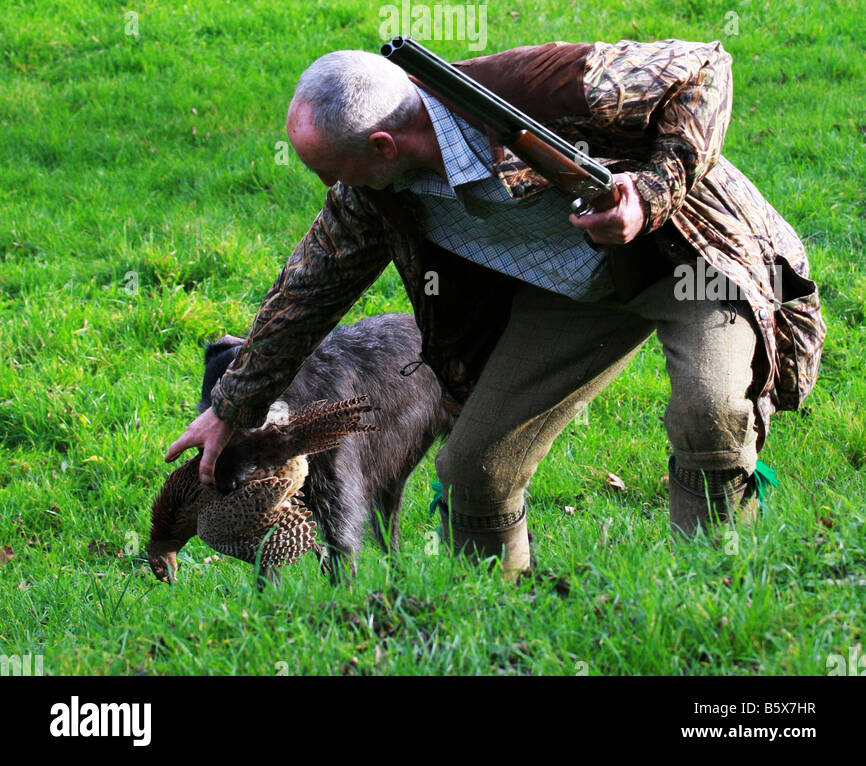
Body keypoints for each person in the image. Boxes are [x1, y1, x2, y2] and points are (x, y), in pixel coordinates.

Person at [165, 38, 824, 574]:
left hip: (684, 256)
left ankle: (712, 595)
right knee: (475, 467)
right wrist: (231, 411)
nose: (331, 189)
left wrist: (651, 191)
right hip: (575, 293)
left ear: (383, 148)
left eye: (332, 171)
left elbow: (706, 67)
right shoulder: (373, 194)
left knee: (710, 413)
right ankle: (495, 618)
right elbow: (303, 297)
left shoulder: (541, 86)